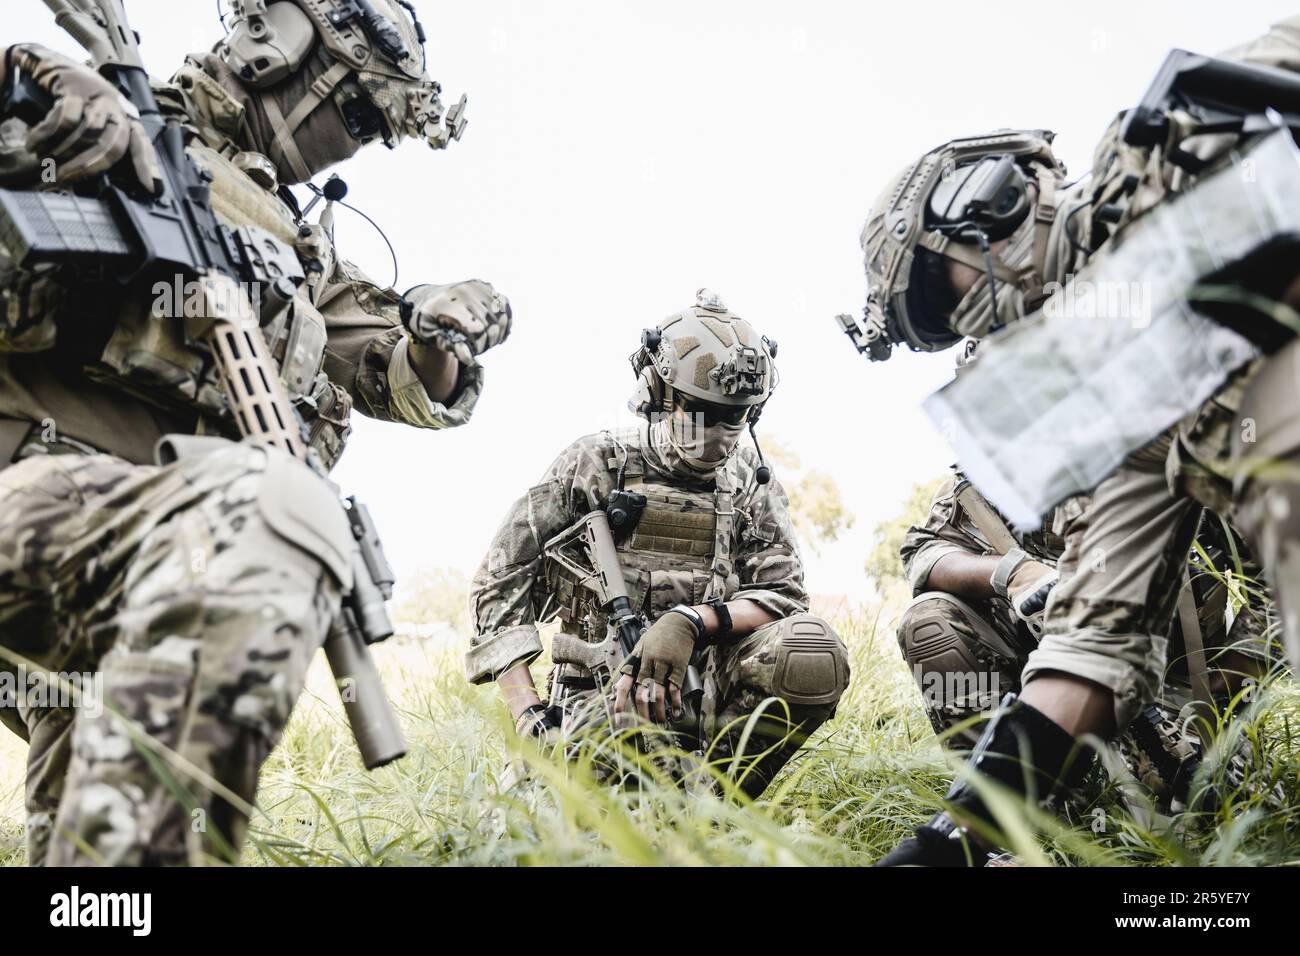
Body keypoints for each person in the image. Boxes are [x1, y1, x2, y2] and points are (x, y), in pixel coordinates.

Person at [0, 0, 511, 865]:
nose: (350, 142)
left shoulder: (296, 255)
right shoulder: (99, 106)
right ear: (280, 44)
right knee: (275, 514)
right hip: (34, 498)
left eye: (369, 129)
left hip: (151, 573)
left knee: (104, 841)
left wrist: (451, 322)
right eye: (351, 110)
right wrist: (26, 81)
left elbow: (402, 372)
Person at [852, 15, 1300, 865]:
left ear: (976, 204)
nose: (967, 328)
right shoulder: (1132, 401)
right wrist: (958, 838)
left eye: (941, 303)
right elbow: (1090, 647)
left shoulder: (1196, 119)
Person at [467, 290, 849, 798]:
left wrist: (689, 623)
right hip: (597, 697)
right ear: (657, 392)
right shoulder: (596, 464)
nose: (722, 432)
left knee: (811, 650)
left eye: (737, 416)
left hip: (704, 695)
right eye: (704, 412)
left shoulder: (749, 484)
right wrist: (528, 715)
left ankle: (717, 801)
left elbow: (783, 596)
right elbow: (499, 584)